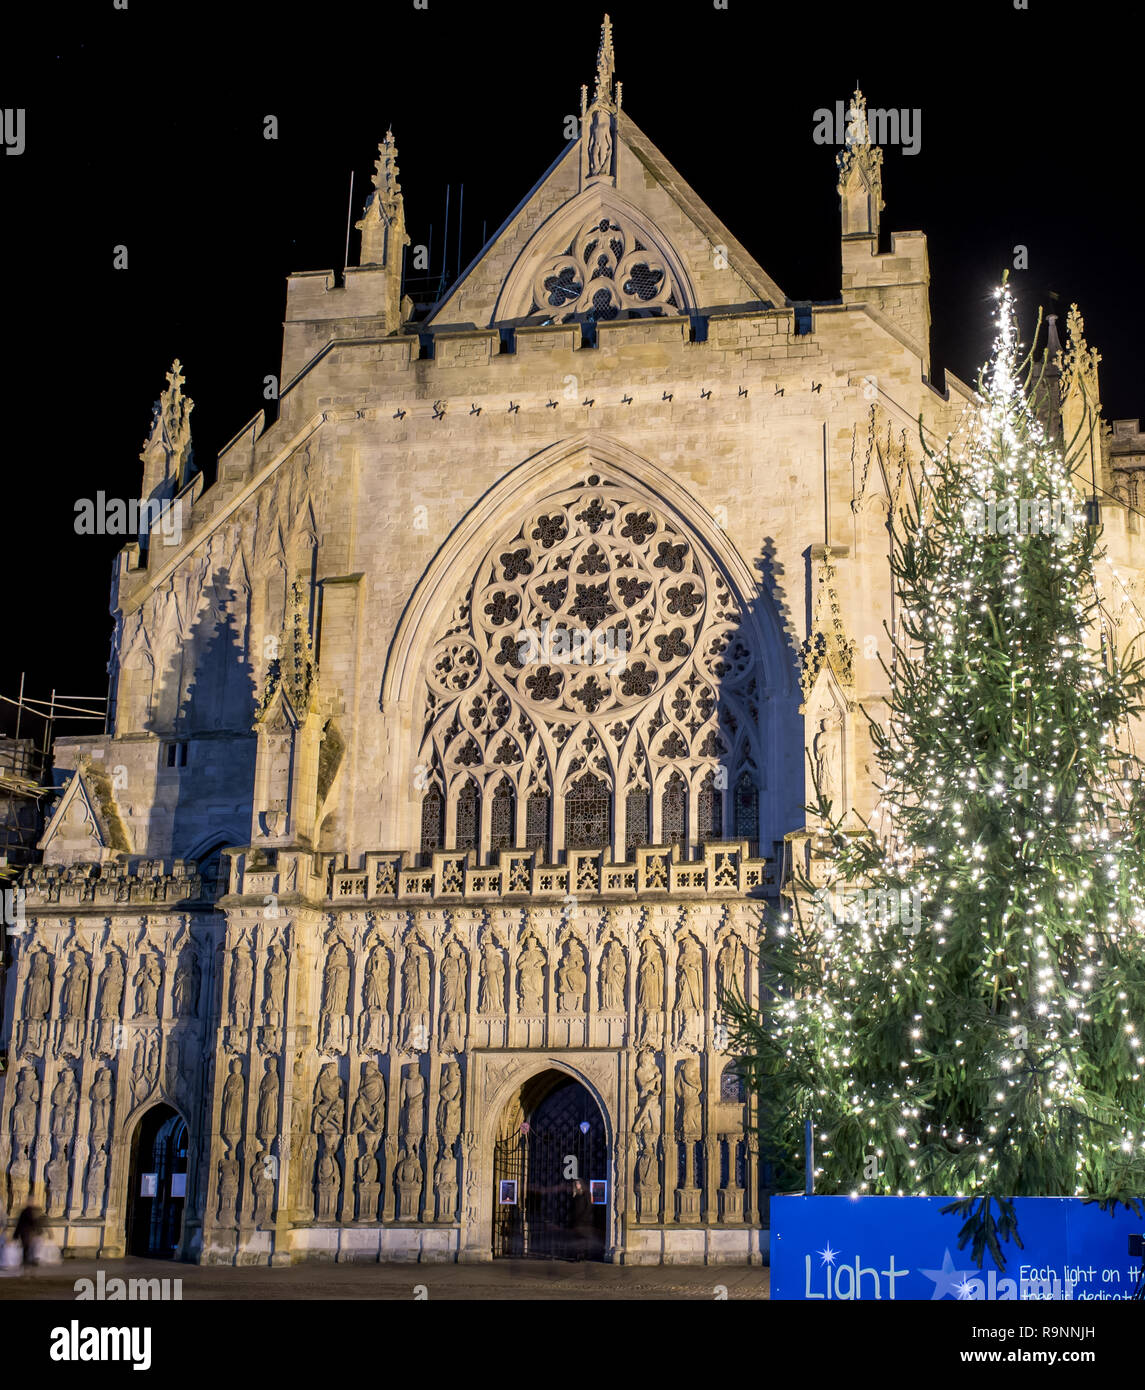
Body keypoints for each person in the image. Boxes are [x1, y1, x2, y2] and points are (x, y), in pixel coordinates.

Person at [569, 1179, 594, 1262]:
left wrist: (583, 1217)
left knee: (583, 1238)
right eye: (576, 1184)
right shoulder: (575, 1194)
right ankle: (578, 1255)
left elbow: (589, 1207)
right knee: (577, 1238)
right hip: (576, 1220)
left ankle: (582, 1255)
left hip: (584, 1220)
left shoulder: (586, 1193)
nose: (577, 1185)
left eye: (578, 1183)